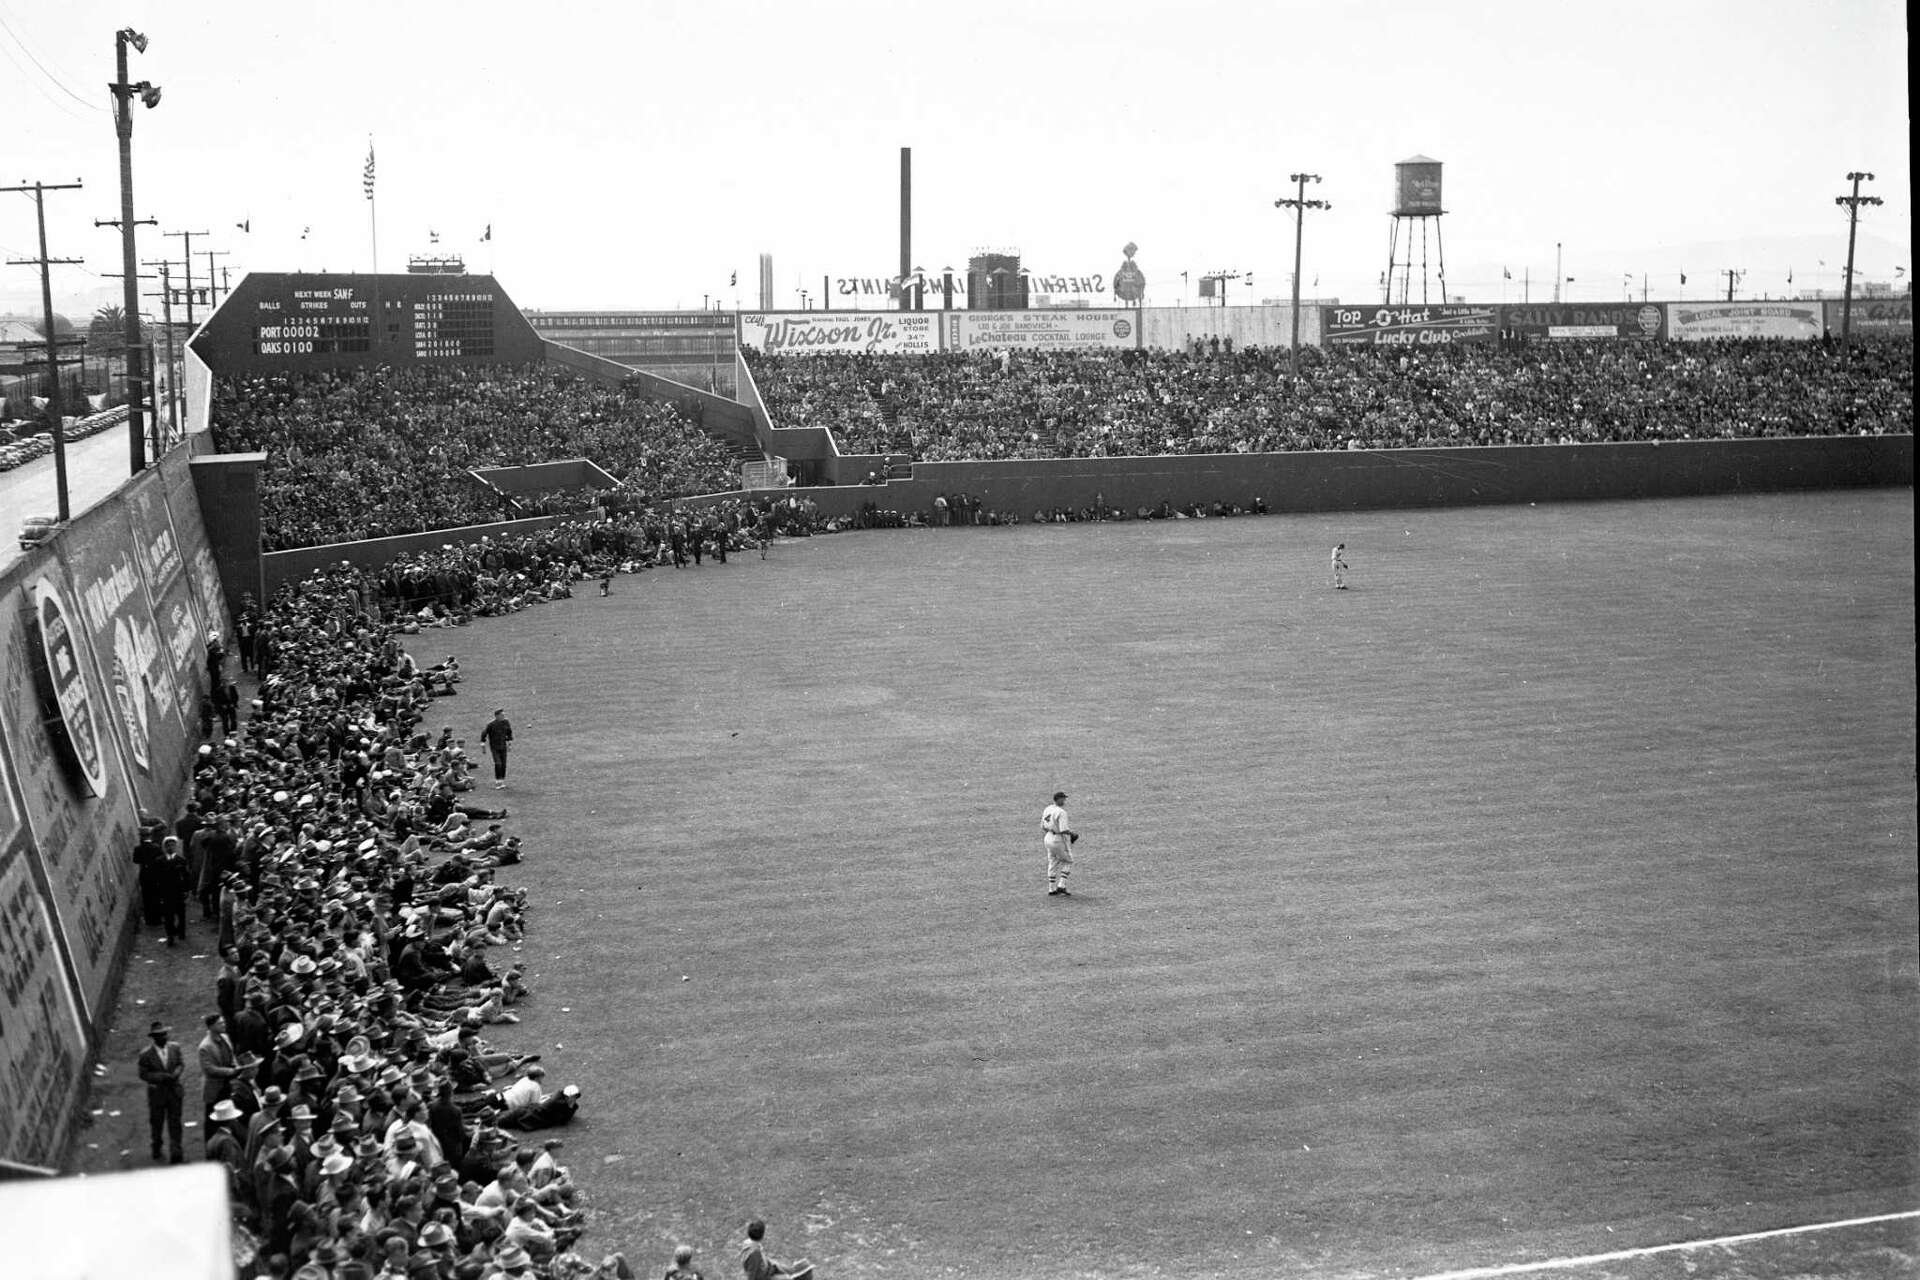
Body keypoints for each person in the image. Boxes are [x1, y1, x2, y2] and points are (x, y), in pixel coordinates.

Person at [138, 1020, 187, 1163]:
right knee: (157, 1123)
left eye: (165, 1034)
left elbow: (180, 1063)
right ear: (153, 1037)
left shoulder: (175, 1048)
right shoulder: (146, 1055)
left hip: (174, 1091)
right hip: (157, 1095)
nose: (163, 1037)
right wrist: (161, 1077)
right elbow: (143, 1074)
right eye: (159, 1035)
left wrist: (176, 1074)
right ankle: (157, 1146)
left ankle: (176, 1151)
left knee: (175, 1123)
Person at [739, 1220, 812, 1280]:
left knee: (788, 1269)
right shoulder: (754, 1252)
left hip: (770, 1267)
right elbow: (752, 1273)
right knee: (787, 1278)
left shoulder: (748, 1242)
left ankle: (795, 1271)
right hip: (764, 1276)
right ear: (762, 1235)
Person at [1041, 790, 1078, 897]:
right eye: (1064, 798)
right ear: (1059, 799)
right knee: (1068, 861)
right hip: (1057, 839)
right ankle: (1061, 885)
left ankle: (1051, 889)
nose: (1065, 800)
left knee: (1052, 861)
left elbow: (1042, 826)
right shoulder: (1061, 812)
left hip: (1047, 837)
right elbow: (1063, 829)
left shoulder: (1047, 808)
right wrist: (1072, 834)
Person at [480, 708, 514, 790]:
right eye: (502, 715)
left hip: (503, 746)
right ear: (497, 716)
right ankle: (497, 780)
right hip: (494, 747)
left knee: (504, 764)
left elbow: (509, 732)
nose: (503, 716)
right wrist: (483, 745)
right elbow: (484, 734)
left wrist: (509, 742)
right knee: (498, 763)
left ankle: (502, 780)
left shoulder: (506, 722)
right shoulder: (491, 724)